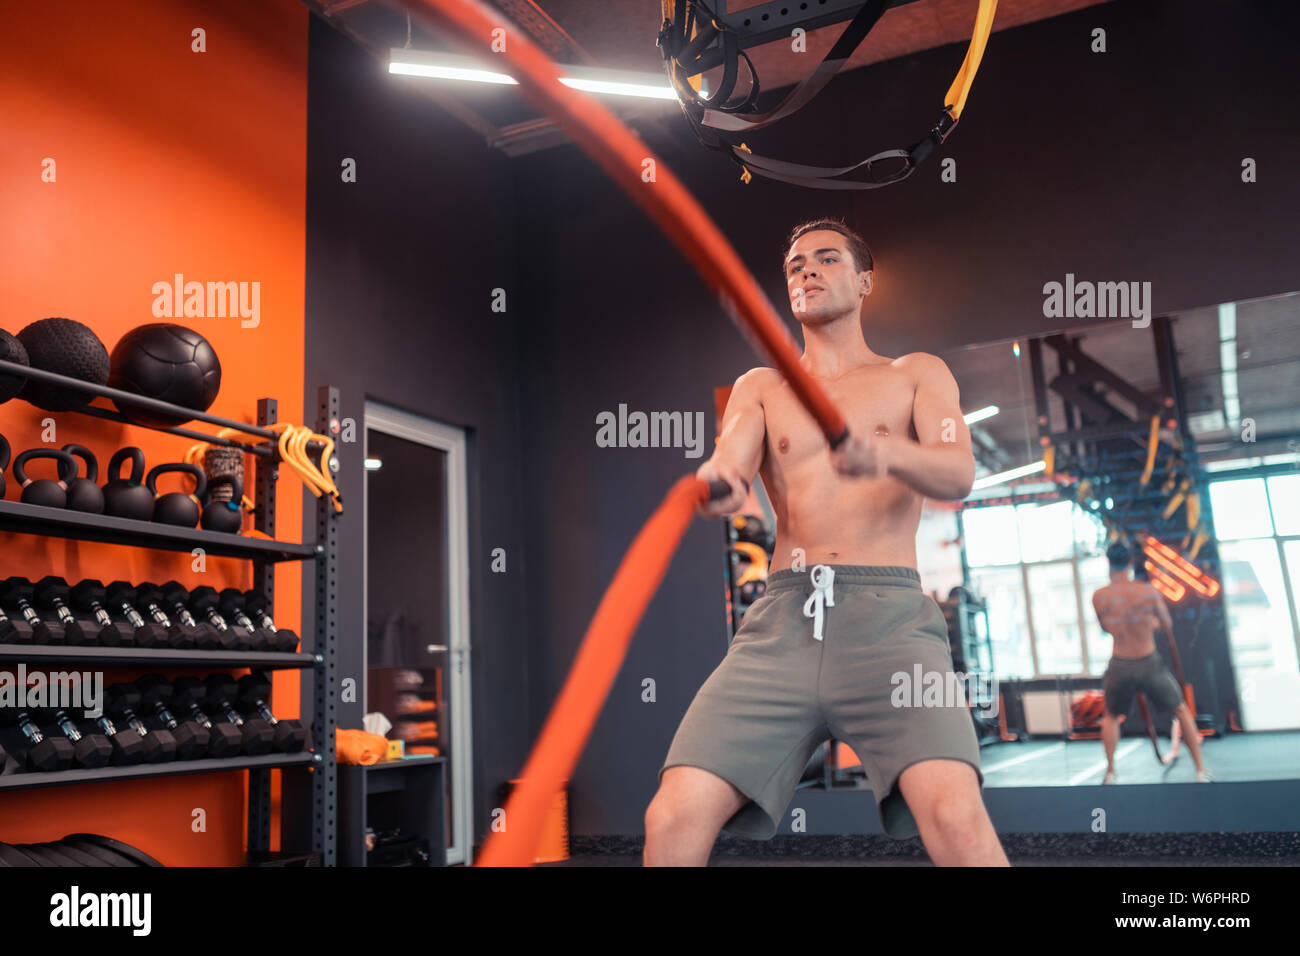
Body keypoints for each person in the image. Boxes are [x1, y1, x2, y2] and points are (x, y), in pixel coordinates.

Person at [644, 217, 1008, 866]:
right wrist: (720, 483)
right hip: (780, 627)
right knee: (671, 815)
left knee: (955, 815)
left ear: (865, 281)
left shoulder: (916, 374)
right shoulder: (761, 388)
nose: (806, 270)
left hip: (890, 626)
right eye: (794, 265)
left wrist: (888, 453)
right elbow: (729, 460)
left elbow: (959, 470)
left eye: (826, 258)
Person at [1091, 541, 1211, 784]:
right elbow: (1166, 624)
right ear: (1131, 562)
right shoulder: (1148, 592)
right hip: (1148, 660)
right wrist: (1147, 624)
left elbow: (1106, 627)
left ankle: (1111, 772)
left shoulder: (1099, 596)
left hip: (1120, 661)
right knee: (1180, 710)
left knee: (1111, 716)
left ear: (1109, 563)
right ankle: (1200, 770)